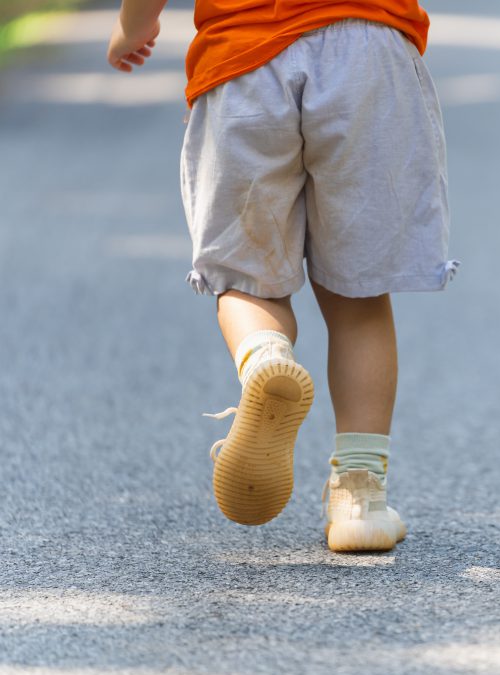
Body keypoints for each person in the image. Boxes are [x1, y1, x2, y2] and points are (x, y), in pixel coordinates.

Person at [107, 0, 456, 552]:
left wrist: (135, 26)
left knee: (245, 280)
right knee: (358, 298)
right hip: (371, 53)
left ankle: (266, 361)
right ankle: (360, 500)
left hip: (243, 59)